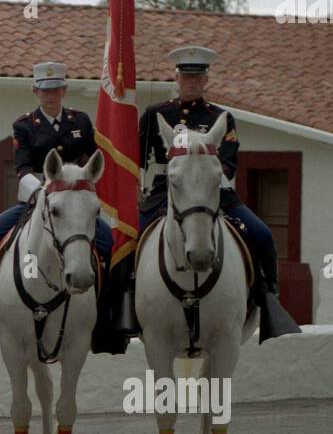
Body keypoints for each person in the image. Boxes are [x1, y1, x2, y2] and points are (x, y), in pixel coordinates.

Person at [116, 45, 301, 343]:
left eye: (197, 77)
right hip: (167, 190)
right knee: (126, 240)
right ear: (176, 78)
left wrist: (206, 180)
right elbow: (136, 157)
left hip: (214, 191)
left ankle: (267, 299)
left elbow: (228, 161)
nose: (191, 82)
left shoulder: (221, 117)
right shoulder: (156, 114)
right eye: (186, 77)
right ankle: (122, 302)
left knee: (262, 235)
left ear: (205, 81)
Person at [0, 62, 115, 353]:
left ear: (64, 90)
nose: (51, 95)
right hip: (35, 201)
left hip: (75, 206)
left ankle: (106, 322)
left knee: (109, 245)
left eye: (56, 89)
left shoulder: (80, 122)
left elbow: (92, 163)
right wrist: (43, 194)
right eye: (45, 90)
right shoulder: (24, 126)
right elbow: (22, 170)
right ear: (36, 91)